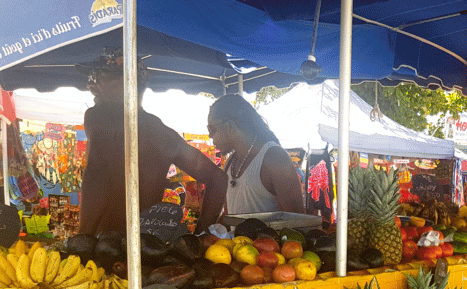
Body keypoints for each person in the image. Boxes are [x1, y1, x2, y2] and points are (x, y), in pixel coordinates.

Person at [78, 49, 227, 237]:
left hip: (103, 247)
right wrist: (201, 236)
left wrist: (82, 239)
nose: (90, 85)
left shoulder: (98, 117)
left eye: (96, 76)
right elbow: (218, 179)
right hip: (145, 250)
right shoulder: (162, 134)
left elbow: (97, 177)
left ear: (126, 81)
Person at [207, 95, 305, 215]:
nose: (210, 136)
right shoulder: (230, 163)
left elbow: (298, 219)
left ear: (229, 127)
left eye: (212, 129)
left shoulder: (274, 158)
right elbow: (230, 219)